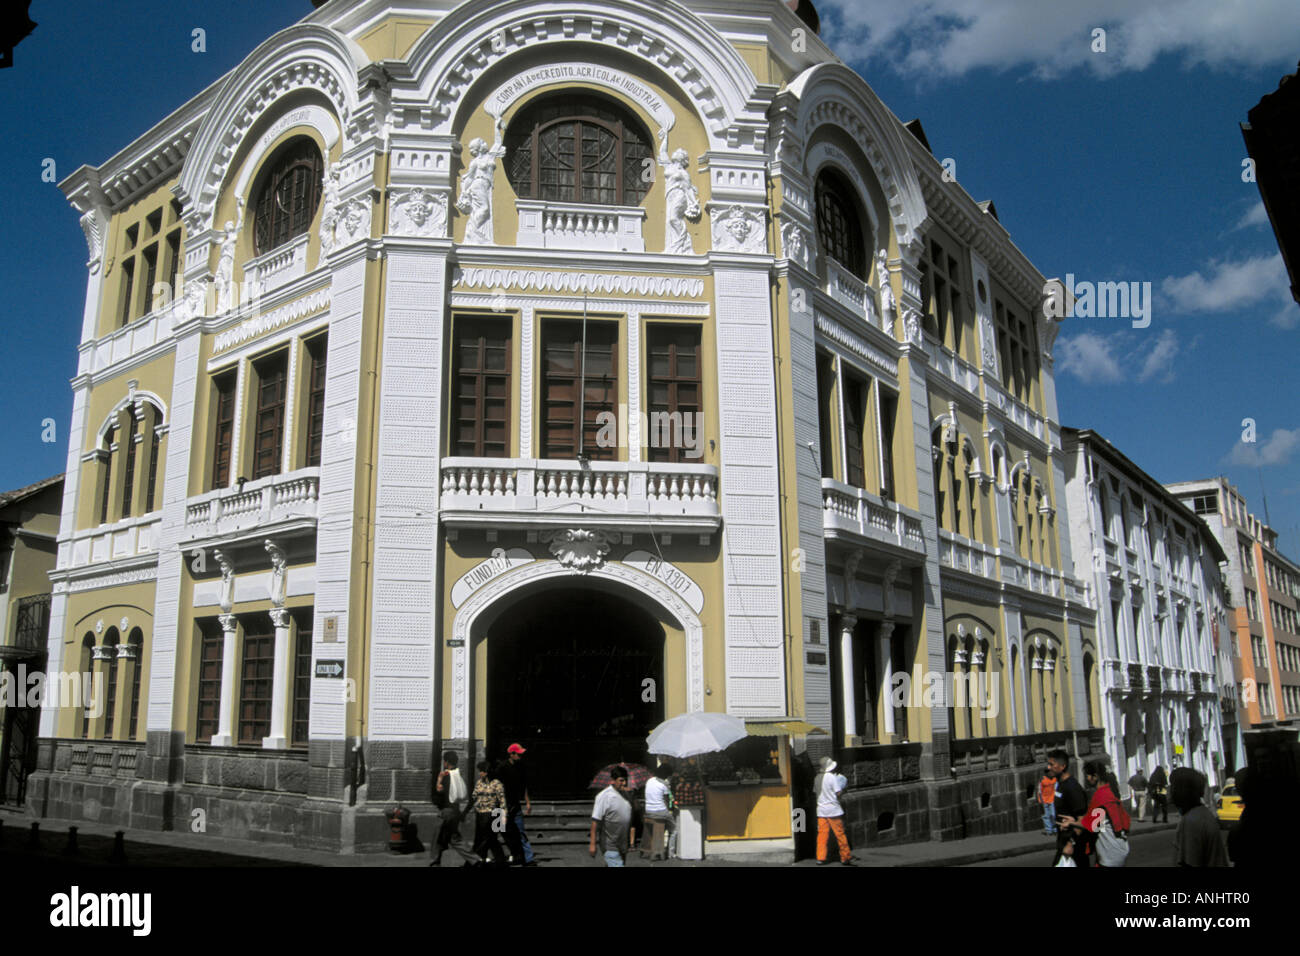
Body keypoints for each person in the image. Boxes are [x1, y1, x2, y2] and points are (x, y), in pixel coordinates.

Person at [1170, 767, 1228, 867]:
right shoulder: (1200, 814)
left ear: (1182, 790)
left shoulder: (1192, 822)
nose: (1170, 792)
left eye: (1173, 787)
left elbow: (1190, 863)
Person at [1080, 760, 1130, 867]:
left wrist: (1071, 822)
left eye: (1088, 775)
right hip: (1119, 848)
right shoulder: (1109, 792)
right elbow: (1101, 823)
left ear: (1096, 776)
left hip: (1110, 854)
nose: (1087, 778)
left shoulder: (1100, 797)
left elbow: (1090, 825)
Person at [1047, 749, 1089, 867]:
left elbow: (1082, 818)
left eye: (1052, 764)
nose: (1048, 767)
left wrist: (1071, 841)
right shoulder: (1061, 784)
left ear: (1063, 766)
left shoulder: (1072, 788)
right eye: (1048, 764)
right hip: (1063, 843)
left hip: (1073, 847)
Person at [497, 743, 535, 866]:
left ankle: (528, 859)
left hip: (515, 804)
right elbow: (497, 788)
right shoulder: (502, 767)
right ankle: (502, 857)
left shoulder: (521, 767)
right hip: (502, 805)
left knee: (521, 831)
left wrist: (528, 802)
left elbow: (524, 786)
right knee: (497, 831)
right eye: (518, 754)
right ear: (512, 754)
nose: (521, 756)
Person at [589, 765, 634, 867]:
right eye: (621, 781)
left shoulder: (626, 795)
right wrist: (593, 844)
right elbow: (595, 821)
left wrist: (633, 796)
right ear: (612, 781)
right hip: (610, 845)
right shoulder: (604, 796)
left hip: (622, 844)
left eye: (626, 780)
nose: (624, 783)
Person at [430, 750, 469, 866]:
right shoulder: (457, 775)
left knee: (437, 838)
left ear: (446, 762)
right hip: (456, 810)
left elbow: (438, 794)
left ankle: (434, 862)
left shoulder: (446, 776)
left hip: (446, 812)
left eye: (444, 761)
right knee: (455, 839)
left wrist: (438, 780)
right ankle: (475, 860)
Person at [814, 756, 854, 865]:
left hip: (821, 810)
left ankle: (820, 857)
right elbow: (838, 792)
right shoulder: (831, 777)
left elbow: (815, 792)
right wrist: (843, 789)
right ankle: (845, 857)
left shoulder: (817, 778)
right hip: (833, 810)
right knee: (840, 834)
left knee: (822, 835)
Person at [470, 760, 507, 867]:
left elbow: (502, 800)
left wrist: (504, 816)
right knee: (490, 839)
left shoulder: (497, 784)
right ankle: (499, 861)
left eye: (481, 771)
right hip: (480, 814)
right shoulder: (479, 783)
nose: (480, 773)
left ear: (487, 772)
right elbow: (474, 796)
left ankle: (474, 861)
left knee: (487, 838)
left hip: (493, 814)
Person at [643, 761, 677, 859]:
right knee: (674, 829)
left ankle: (655, 845)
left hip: (648, 811)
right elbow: (667, 803)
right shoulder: (664, 784)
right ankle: (670, 853)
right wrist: (672, 809)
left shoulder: (649, 781)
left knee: (663, 824)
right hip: (660, 812)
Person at [1037, 768, 1057, 836]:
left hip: (1052, 799)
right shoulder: (1042, 780)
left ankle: (1055, 829)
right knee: (1046, 815)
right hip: (1044, 800)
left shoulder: (1055, 778)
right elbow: (1039, 791)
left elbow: (1056, 788)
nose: (1052, 773)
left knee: (1053, 815)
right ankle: (1049, 830)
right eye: (1051, 772)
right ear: (1047, 773)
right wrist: (1041, 802)